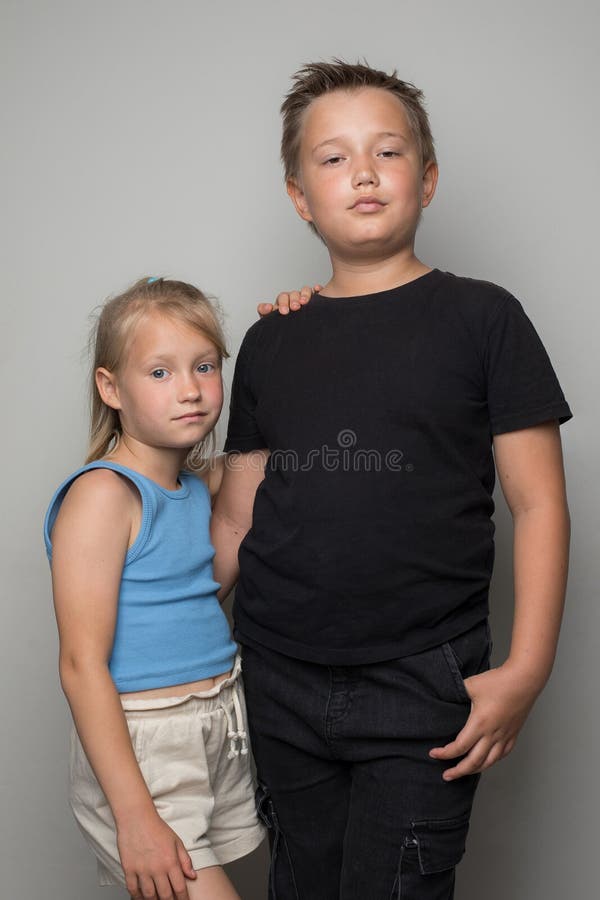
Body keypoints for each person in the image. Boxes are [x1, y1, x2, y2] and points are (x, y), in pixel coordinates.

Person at [211, 61, 572, 899]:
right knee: (300, 881)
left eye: (388, 151)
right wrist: (158, 616)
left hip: (424, 677)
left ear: (429, 178)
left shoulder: (485, 317)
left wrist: (529, 666)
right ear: (300, 197)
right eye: (332, 159)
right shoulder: (271, 340)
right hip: (277, 672)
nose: (364, 172)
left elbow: (538, 500)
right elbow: (236, 519)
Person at [43, 276, 304, 900]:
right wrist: (134, 817)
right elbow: (81, 664)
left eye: (205, 366)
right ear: (111, 388)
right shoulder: (104, 495)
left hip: (218, 722)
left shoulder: (193, 484)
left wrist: (298, 324)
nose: (190, 390)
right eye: (159, 373)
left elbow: (259, 462)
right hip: (144, 745)